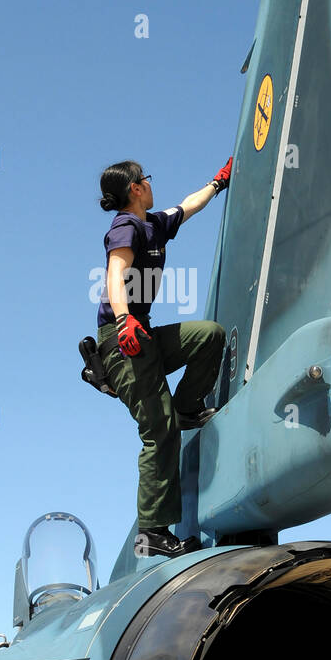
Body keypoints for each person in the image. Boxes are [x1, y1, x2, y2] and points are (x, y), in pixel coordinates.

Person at [95, 158, 231, 559]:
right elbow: (115, 273)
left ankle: (189, 407)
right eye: (146, 180)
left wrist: (218, 182)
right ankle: (153, 531)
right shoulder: (126, 226)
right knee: (160, 430)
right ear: (136, 188)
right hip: (123, 340)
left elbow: (189, 205)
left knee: (209, 336)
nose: (151, 185)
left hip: (145, 333)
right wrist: (123, 322)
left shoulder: (154, 223)